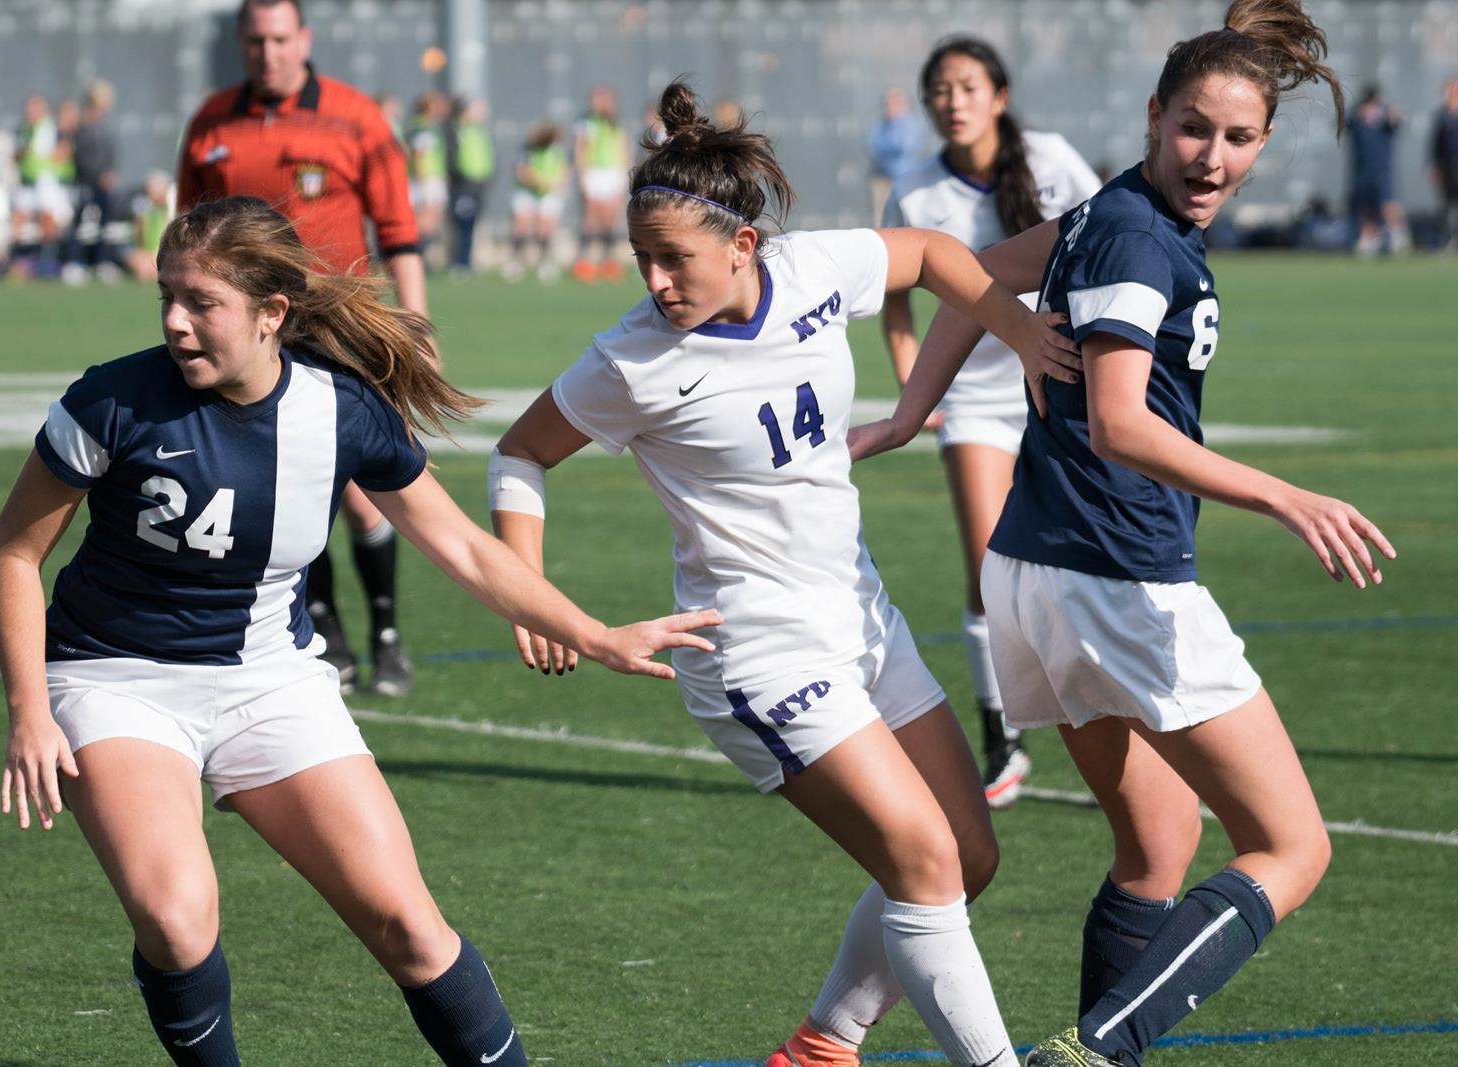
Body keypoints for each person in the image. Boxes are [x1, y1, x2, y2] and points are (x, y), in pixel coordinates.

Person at [0, 195, 719, 1067]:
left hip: (273, 680)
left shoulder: (342, 412)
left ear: (272, 315)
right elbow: (14, 553)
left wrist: (594, 634)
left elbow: (463, 549)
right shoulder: (111, 399)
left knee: (410, 926)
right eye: (167, 298)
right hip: (116, 678)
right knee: (178, 921)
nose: (177, 323)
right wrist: (31, 710)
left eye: (201, 303)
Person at [490, 81, 1082, 1067]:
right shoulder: (629, 358)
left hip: (860, 613)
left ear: (742, 245)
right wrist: (530, 586)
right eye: (643, 259)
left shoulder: (812, 271)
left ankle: (821, 1043)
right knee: (925, 858)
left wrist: (1017, 331)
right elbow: (517, 453)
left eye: (673, 259)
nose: (655, 281)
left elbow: (933, 254)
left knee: (968, 855)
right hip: (754, 650)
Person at [849, 3, 1394, 1064]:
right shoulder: (1142, 238)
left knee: (1157, 842)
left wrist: (916, 409)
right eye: (1194, 128)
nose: (1211, 157)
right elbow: (1120, 420)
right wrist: (1284, 496)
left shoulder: (1112, 208)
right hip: (1118, 579)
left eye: (1237, 139)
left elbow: (972, 274)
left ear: (1265, 145)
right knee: (1291, 844)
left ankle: (1102, 1050)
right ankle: (1101, 1045)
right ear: (1152, 117)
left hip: (1029, 575)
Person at [177, 0, 429, 697]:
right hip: (251, 336)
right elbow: (186, 238)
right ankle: (327, 634)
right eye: (255, 40)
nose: (268, 53)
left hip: (342, 328)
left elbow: (400, 234)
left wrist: (417, 331)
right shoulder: (211, 124)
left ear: (305, 40)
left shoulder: (356, 117)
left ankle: (386, 631)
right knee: (287, 483)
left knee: (365, 491)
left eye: (280, 39)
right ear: (240, 43)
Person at [881, 37, 1101, 808]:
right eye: (939, 89)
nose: (953, 100)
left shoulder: (1052, 158)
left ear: (998, 95)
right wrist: (917, 385)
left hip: (1060, 376)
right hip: (973, 398)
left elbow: (1105, 239)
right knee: (986, 564)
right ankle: (1000, 737)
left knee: (1085, 553)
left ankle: (1111, 704)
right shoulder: (912, 192)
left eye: (968, 86)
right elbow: (897, 300)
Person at [62, 79, 123, 282]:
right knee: (79, 224)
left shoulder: (104, 127)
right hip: (84, 182)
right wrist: (95, 176)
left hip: (102, 184)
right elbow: (79, 155)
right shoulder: (81, 126)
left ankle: (103, 261)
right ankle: (74, 262)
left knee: (105, 224)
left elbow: (109, 154)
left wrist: (109, 173)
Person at [571, 84, 630, 281]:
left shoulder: (615, 121)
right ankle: (584, 261)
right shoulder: (587, 122)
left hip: (613, 171)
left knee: (610, 220)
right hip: (594, 172)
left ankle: (609, 262)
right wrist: (583, 174)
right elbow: (580, 148)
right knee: (591, 219)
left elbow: (623, 145)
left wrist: (625, 170)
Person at [9, 93, 70, 279]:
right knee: (19, 219)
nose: (32, 111)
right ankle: (20, 261)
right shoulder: (23, 129)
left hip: (45, 180)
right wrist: (23, 152)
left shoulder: (50, 129)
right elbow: (15, 156)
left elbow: (63, 153)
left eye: (35, 107)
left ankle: (47, 261)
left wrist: (50, 158)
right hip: (27, 181)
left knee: (47, 221)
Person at [1347, 84, 1410, 256]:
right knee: (1365, 206)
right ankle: (1368, 238)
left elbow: (1398, 121)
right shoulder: (1357, 115)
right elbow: (1345, 125)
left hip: (1382, 167)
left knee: (1387, 203)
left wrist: (1392, 113)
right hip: (1362, 169)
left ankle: (1398, 235)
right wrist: (1360, 115)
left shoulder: (1385, 114)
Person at [506, 122, 569, 281]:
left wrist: (554, 184)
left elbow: (564, 171)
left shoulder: (558, 150)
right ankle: (517, 262)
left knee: (545, 228)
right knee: (521, 226)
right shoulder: (527, 149)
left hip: (548, 193)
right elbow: (521, 172)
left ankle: (545, 262)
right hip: (527, 191)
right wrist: (540, 182)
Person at [446, 96, 495, 275]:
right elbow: (452, 157)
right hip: (463, 185)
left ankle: (466, 262)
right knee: (462, 223)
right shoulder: (456, 129)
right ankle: (459, 262)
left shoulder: (480, 130)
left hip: (478, 185)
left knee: (471, 223)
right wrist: (460, 177)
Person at [866, 87, 927, 224]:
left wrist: (887, 149)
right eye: (887, 103)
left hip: (904, 178)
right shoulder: (880, 124)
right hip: (881, 178)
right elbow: (872, 146)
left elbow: (905, 147)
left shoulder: (911, 125)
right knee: (880, 218)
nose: (889, 107)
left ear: (904, 104)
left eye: (894, 103)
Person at [407, 90, 451, 259]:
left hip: (432, 178)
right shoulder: (422, 127)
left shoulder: (428, 126)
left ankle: (419, 255)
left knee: (433, 219)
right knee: (425, 220)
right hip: (426, 179)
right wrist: (423, 180)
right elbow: (419, 154)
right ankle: (416, 256)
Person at [126, 170, 172, 282]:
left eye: (153, 190)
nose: (150, 194)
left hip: (168, 252)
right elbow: (139, 238)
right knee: (136, 262)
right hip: (149, 252)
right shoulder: (144, 208)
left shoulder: (174, 206)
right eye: (149, 191)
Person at [1430, 76, 1458, 251]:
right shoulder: (1442, 115)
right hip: (1448, 166)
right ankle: (1448, 239)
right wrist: (1433, 166)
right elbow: (1436, 143)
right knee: (1447, 205)